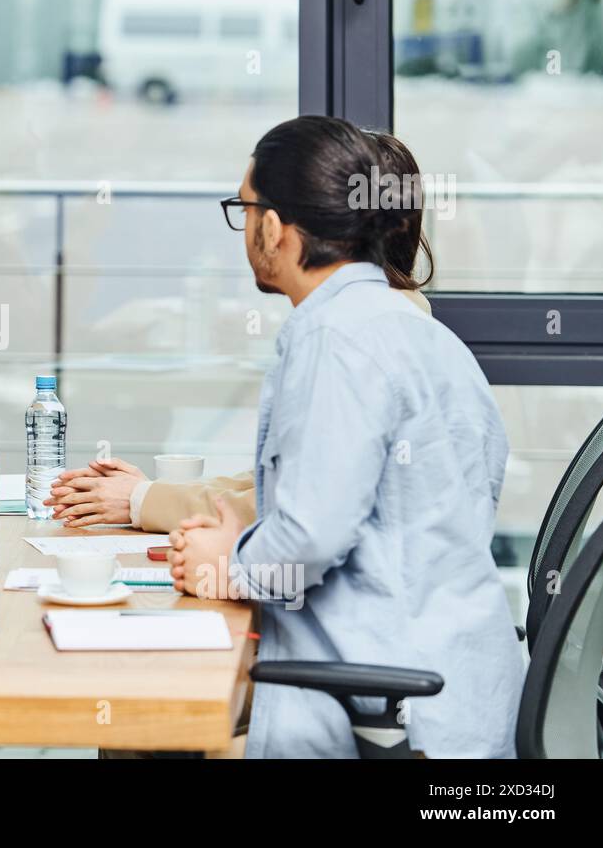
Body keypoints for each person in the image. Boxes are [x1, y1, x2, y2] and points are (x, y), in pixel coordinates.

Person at [95, 116, 521, 757]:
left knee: (143, 733)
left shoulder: (336, 341)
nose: (245, 231)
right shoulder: (424, 336)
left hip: (390, 715)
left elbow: (312, 537)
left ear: (274, 228)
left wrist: (227, 566)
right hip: (461, 697)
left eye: (244, 210)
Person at [49, 129, 434, 534]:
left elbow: (292, 514)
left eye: (245, 208)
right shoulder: (388, 319)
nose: (244, 227)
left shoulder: (351, 341)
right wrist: (147, 495)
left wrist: (145, 504)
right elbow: (281, 483)